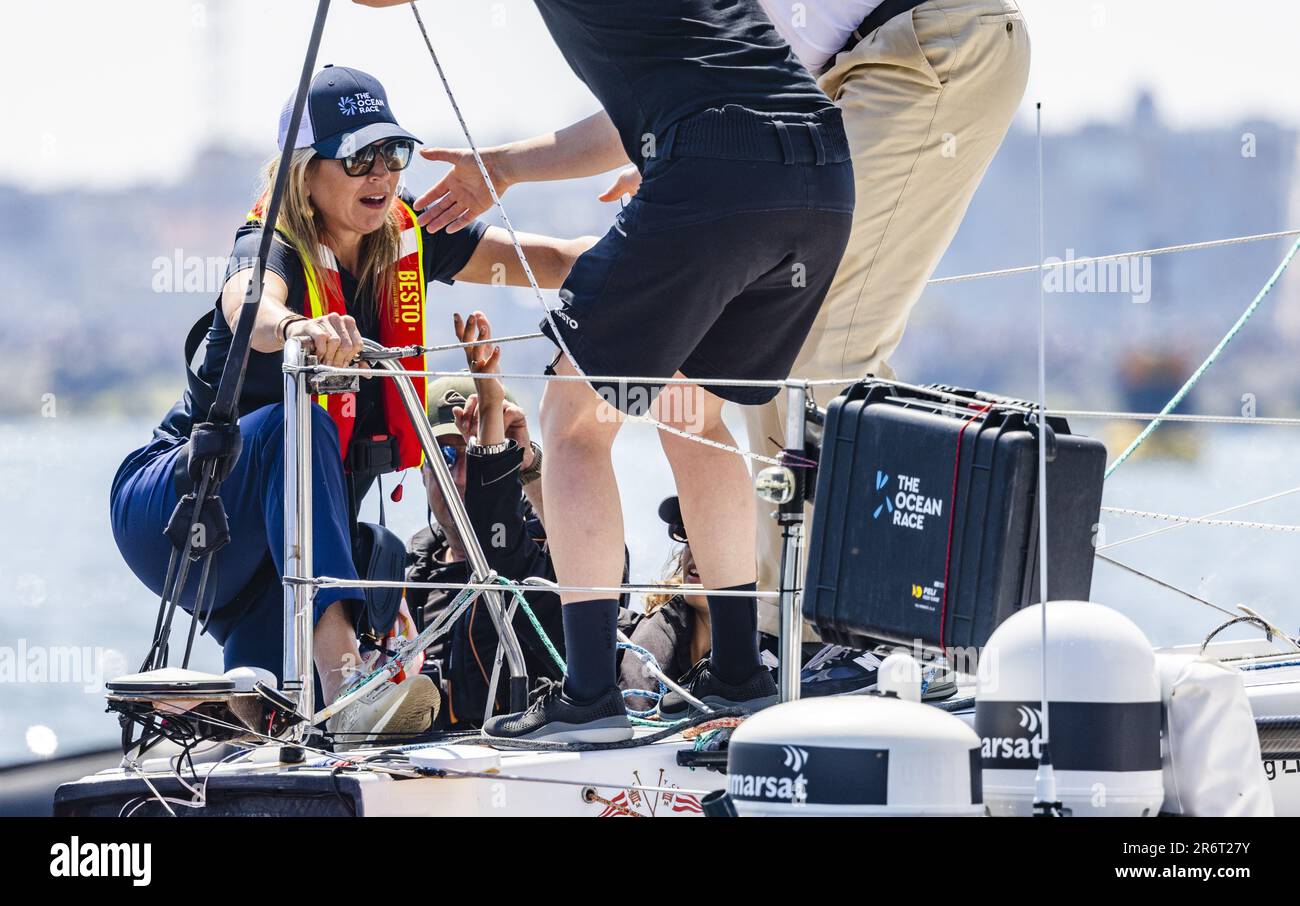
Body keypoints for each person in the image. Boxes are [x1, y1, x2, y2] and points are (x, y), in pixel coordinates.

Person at [359, 0, 855, 742]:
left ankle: (588, 697)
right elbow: (660, 100)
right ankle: (739, 677)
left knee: (574, 419)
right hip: (822, 175)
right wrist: (506, 167)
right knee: (697, 416)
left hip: (714, 170)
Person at [109, 66, 592, 747]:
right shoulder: (270, 244)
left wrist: (670, 244)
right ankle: (346, 681)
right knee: (294, 424)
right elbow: (246, 300)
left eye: (393, 153)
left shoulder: (406, 236)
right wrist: (296, 328)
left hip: (269, 558)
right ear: (304, 175)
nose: (382, 173)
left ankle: (293, 721)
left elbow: (555, 260)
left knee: (370, 563)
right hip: (177, 511)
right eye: (358, 156)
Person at [406, 315, 565, 728]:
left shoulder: (543, 552)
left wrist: (527, 464)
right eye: (445, 456)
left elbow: (597, 572)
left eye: (475, 452)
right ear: (421, 470)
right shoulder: (405, 574)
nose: (462, 475)